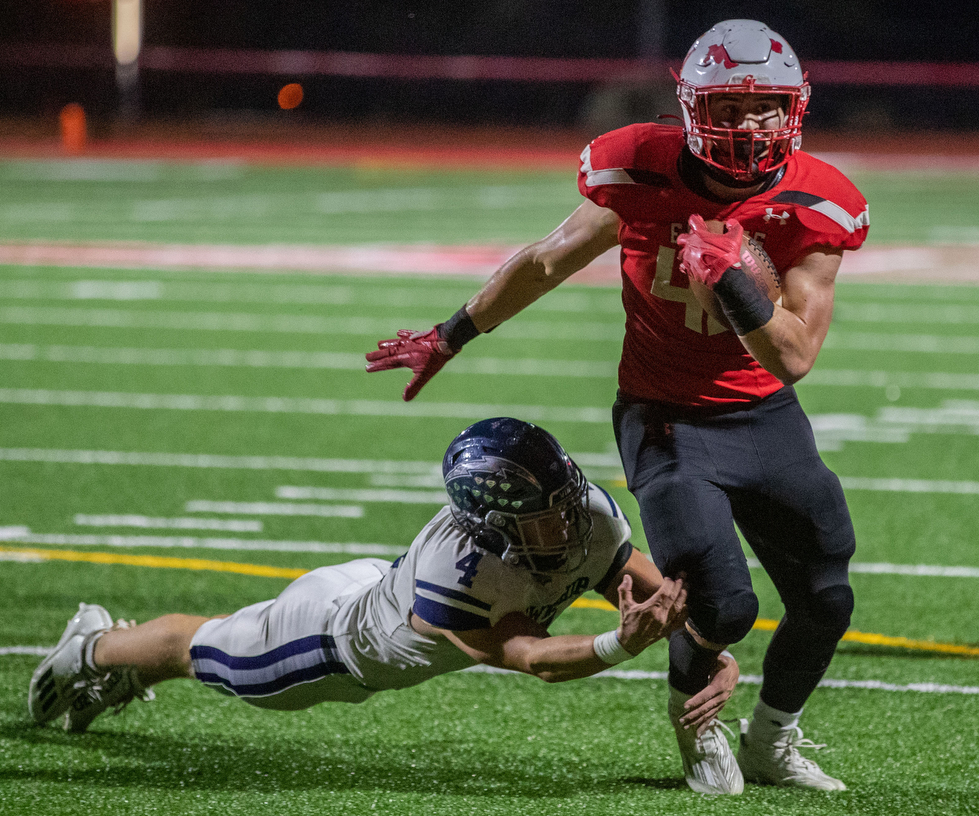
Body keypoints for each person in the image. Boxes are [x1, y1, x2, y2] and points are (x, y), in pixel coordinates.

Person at [365, 20, 869, 795]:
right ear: (691, 109)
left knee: (827, 595)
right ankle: (696, 726)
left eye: (765, 107)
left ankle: (772, 738)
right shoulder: (637, 167)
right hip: (667, 418)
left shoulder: (817, 201)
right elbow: (544, 261)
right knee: (721, 604)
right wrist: (451, 333)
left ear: (793, 109)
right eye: (728, 110)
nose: (748, 125)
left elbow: (794, 356)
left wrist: (733, 279)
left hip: (764, 414)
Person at [29, 417, 738, 747]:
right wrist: (621, 643)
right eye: (543, 519)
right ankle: (91, 651)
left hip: (374, 586)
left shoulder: (583, 513)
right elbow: (528, 656)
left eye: (564, 502)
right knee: (202, 650)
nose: (567, 526)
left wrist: (708, 644)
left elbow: (655, 586)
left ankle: (104, 661)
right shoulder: (460, 571)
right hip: (334, 643)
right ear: (492, 523)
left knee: (208, 646)